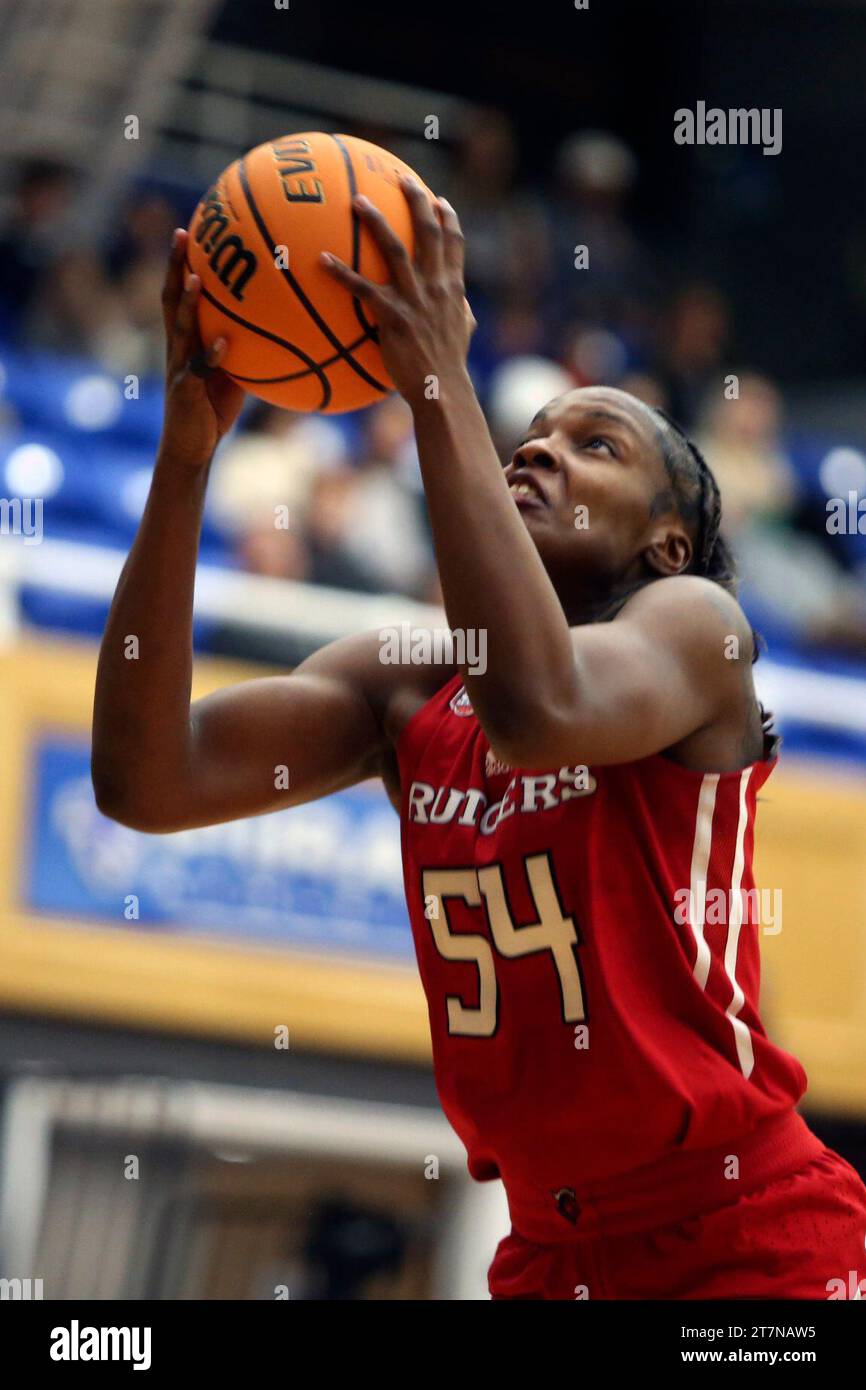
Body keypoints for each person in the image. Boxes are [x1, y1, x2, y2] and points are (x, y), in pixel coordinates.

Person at [92, 185, 866, 1301]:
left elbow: (538, 707)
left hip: (743, 1235)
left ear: (667, 542)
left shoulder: (697, 632)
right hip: (551, 1252)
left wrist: (433, 377)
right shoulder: (407, 680)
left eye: (591, 444)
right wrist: (184, 461)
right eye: (527, 439)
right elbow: (144, 778)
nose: (537, 453)